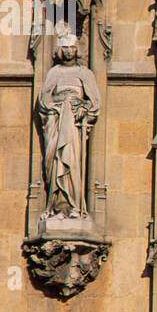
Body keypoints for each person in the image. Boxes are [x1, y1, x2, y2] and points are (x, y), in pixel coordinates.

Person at [36, 37, 100, 219]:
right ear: (59, 50)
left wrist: (82, 107)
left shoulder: (85, 73)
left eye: (72, 47)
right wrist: (59, 103)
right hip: (56, 124)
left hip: (73, 126)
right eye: (64, 48)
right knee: (55, 162)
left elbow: (94, 102)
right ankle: (57, 206)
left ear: (77, 50)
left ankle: (74, 205)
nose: (68, 51)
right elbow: (43, 100)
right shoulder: (54, 73)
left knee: (72, 162)